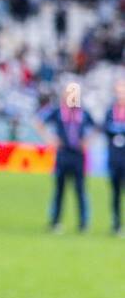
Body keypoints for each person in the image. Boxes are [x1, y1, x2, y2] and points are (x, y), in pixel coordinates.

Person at [41, 82, 95, 234]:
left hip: (78, 155)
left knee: (81, 190)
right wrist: (50, 139)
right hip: (63, 154)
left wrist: (87, 142)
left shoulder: (83, 113)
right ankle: (55, 221)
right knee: (59, 189)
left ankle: (84, 223)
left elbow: (96, 127)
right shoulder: (58, 112)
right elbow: (39, 121)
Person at [104, 79, 125, 236]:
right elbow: (106, 128)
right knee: (115, 193)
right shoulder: (110, 111)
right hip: (115, 159)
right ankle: (116, 224)